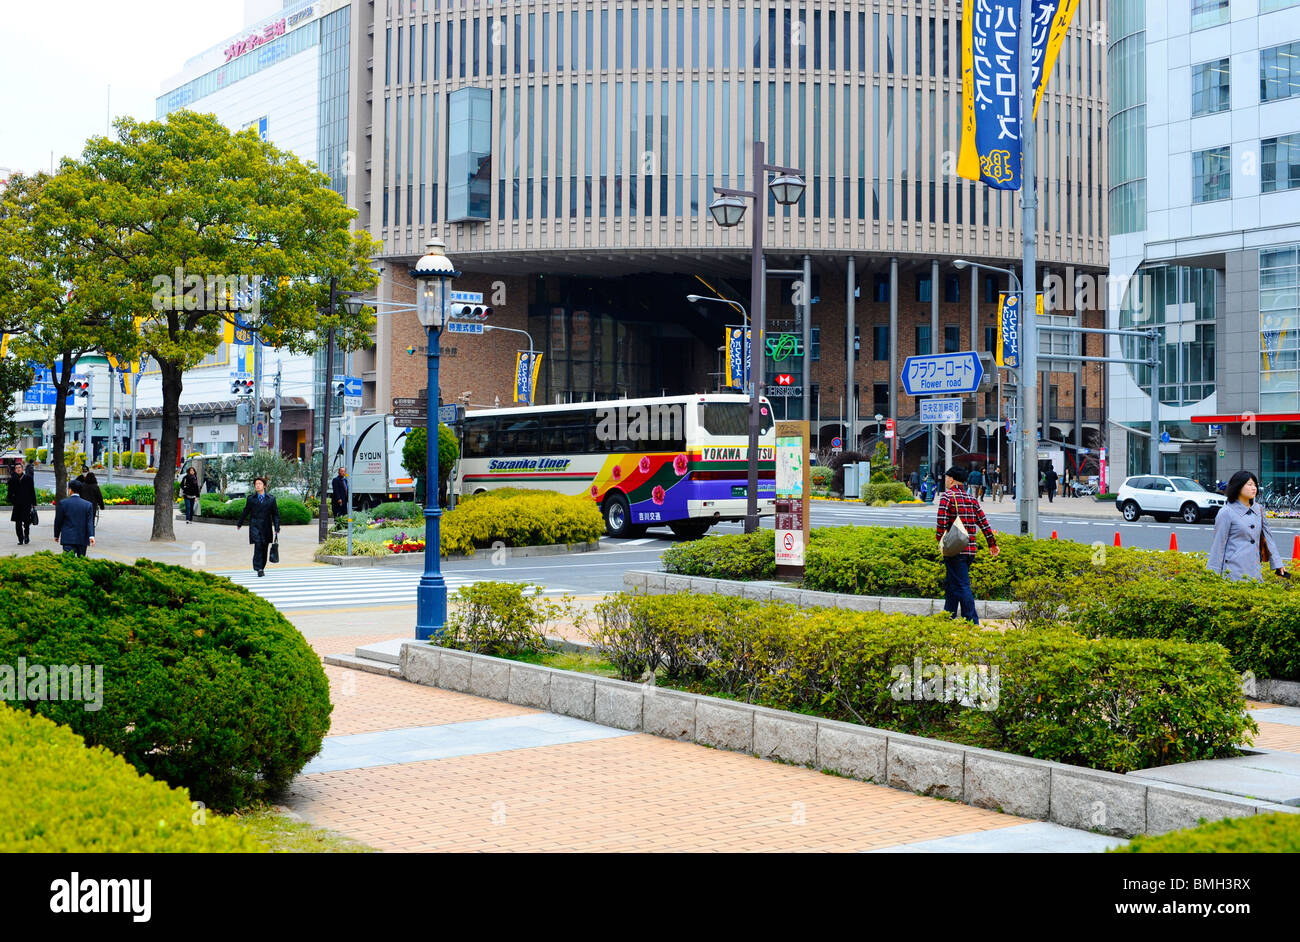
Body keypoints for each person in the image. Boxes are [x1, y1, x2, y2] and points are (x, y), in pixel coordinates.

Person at [934, 466, 1000, 624]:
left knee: (962, 585)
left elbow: (941, 525)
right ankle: (947, 617)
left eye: (946, 478)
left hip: (954, 550)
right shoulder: (971, 499)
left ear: (951, 479)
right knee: (952, 583)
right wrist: (992, 543)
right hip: (970, 550)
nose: (946, 481)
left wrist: (940, 542)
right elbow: (983, 523)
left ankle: (972, 620)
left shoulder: (947, 497)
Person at [1207, 471, 1289, 582]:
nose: (1254, 488)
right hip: (1233, 572)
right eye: (1249, 484)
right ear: (1238, 486)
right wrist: (1212, 575)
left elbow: (1268, 538)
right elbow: (1218, 545)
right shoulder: (1226, 512)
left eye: (1255, 485)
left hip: (1254, 570)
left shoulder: (1259, 509)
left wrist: (1277, 563)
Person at [236, 477, 280, 577]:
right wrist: (240, 523)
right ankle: (258, 568)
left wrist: (277, 527)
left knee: (264, 547)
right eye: (256, 484)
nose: (258, 485)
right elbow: (246, 511)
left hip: (266, 526)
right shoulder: (251, 499)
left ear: (264, 486)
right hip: (255, 525)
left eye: (260, 484)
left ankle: (262, 567)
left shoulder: (271, 499)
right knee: (258, 545)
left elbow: (275, 514)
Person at [53, 480, 96, 557]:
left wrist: (56, 535)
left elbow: (58, 521)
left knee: (68, 561)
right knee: (81, 561)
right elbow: (90, 522)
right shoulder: (88, 505)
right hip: (82, 538)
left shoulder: (63, 503)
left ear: (70, 489)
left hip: (68, 537)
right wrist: (91, 536)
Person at [8, 457, 37, 545]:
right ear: (15, 470)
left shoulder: (28, 478)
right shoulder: (12, 480)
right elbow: (9, 493)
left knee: (26, 522)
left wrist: (34, 503)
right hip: (17, 504)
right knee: (17, 523)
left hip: (26, 504)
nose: (18, 469)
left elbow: (32, 491)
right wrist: (13, 501)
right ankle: (20, 539)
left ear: (22, 468)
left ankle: (27, 536)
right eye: (16, 468)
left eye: (19, 468)